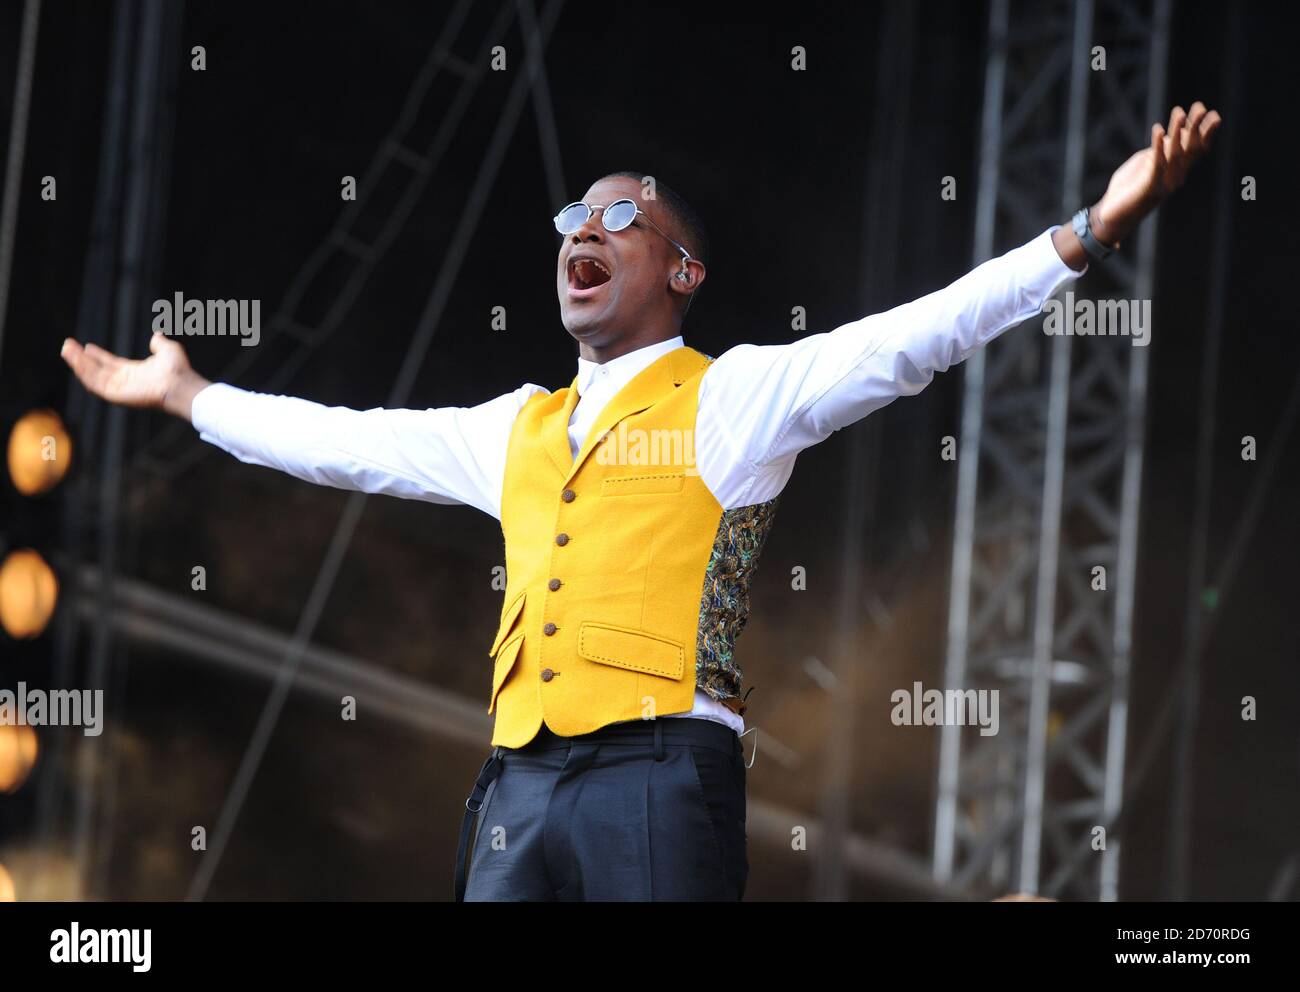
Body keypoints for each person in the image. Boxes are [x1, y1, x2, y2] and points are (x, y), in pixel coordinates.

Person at [62, 102, 1221, 901]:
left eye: (620, 219)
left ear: (680, 271)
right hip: (515, 776)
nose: (583, 231)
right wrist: (191, 392)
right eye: (571, 221)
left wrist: (1085, 233)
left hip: (661, 772)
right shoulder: (510, 427)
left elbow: (916, 333)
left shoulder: (737, 396)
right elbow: (343, 444)